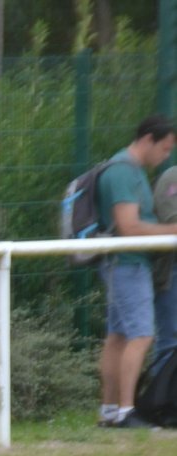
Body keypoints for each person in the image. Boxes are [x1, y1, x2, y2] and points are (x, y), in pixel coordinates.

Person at [94, 115, 177, 428]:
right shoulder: (123, 172)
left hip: (125, 263)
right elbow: (128, 227)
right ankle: (126, 411)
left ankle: (110, 410)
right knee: (141, 335)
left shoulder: (132, 171)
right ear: (147, 140)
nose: (165, 157)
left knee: (118, 336)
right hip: (127, 263)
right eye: (164, 149)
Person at [152, 164, 177, 358]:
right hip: (171, 270)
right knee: (170, 341)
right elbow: (172, 222)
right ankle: (164, 379)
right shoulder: (172, 179)